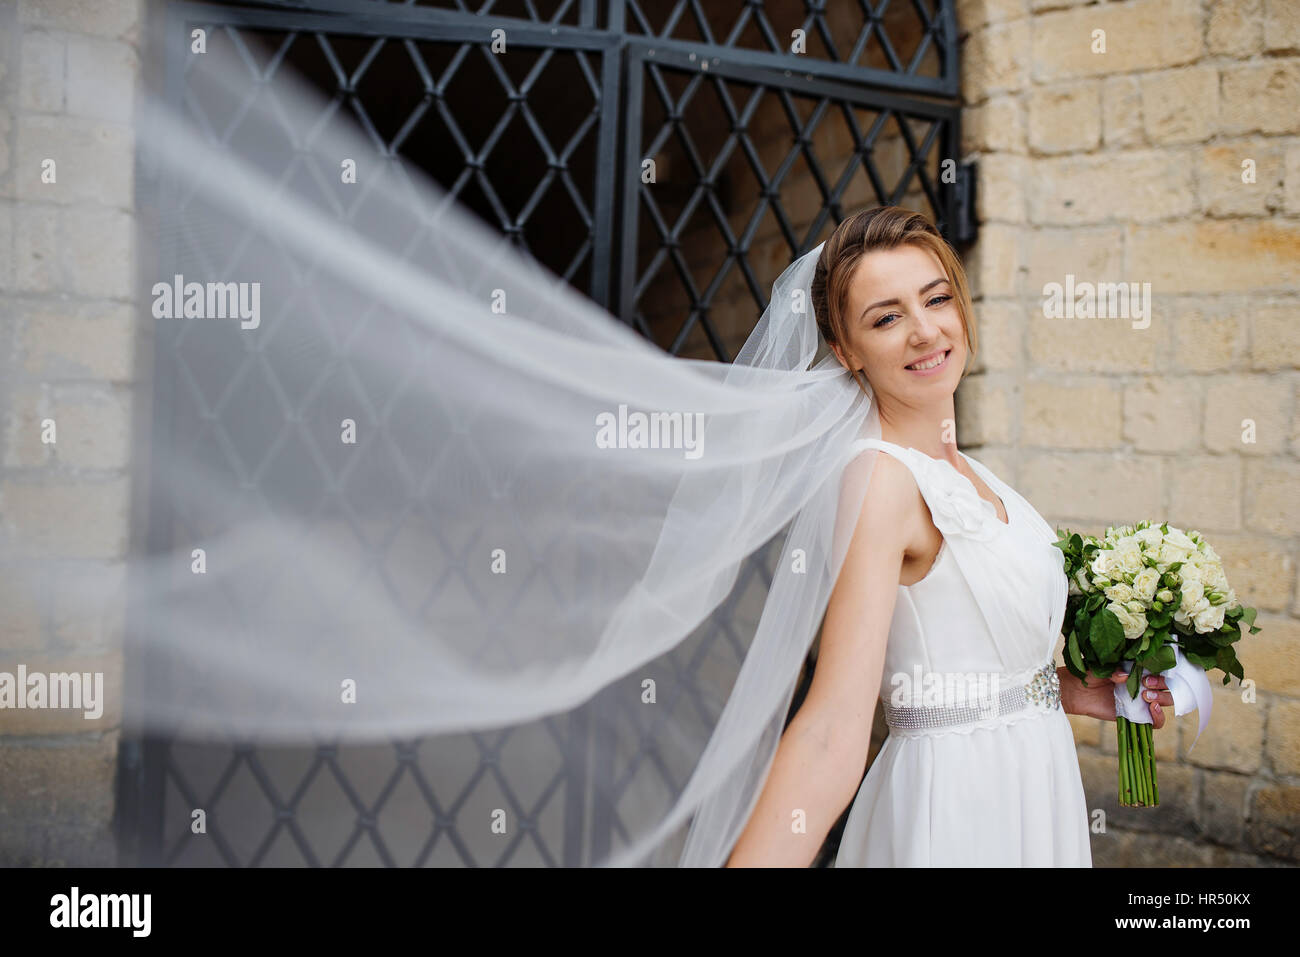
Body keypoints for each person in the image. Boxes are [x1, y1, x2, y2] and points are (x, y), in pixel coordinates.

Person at [723, 207, 1172, 867]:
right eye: (886, 316)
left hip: (1031, 786)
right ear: (846, 352)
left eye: (936, 299)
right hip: (957, 812)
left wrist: (1060, 687)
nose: (925, 329)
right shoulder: (880, 480)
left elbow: (960, 655)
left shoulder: (972, 473)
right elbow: (830, 729)